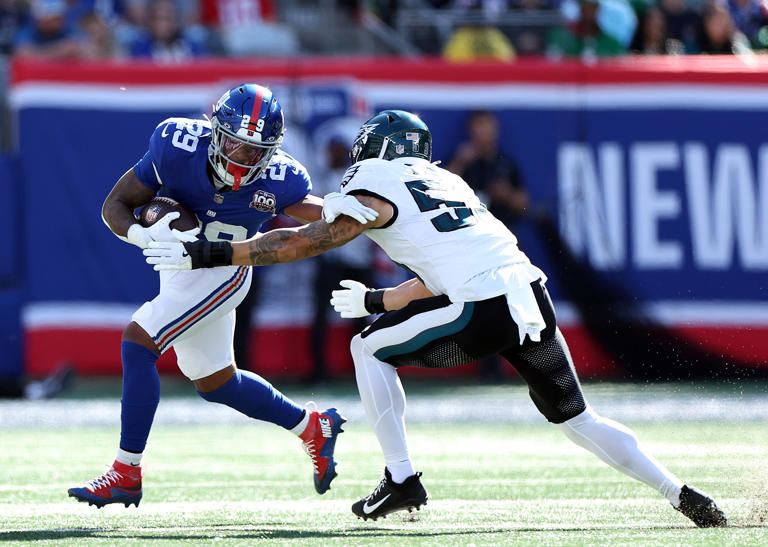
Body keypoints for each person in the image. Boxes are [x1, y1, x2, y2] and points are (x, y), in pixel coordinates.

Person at [144, 110, 728, 528]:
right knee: (578, 419)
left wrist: (211, 252)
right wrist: (381, 302)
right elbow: (445, 265)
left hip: (482, 304)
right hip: (528, 295)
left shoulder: (373, 180)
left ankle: (401, 478)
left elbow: (311, 239)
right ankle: (677, 492)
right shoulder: (451, 183)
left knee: (368, 351)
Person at [68, 83, 377, 509]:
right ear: (214, 132)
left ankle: (126, 473)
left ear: (270, 151)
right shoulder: (176, 145)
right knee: (216, 382)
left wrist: (335, 207)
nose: (240, 158)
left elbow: (309, 206)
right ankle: (311, 426)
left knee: (139, 343)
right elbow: (115, 204)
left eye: (254, 151)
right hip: (180, 273)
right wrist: (141, 234)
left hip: (223, 271)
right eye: (234, 143)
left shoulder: (281, 176)